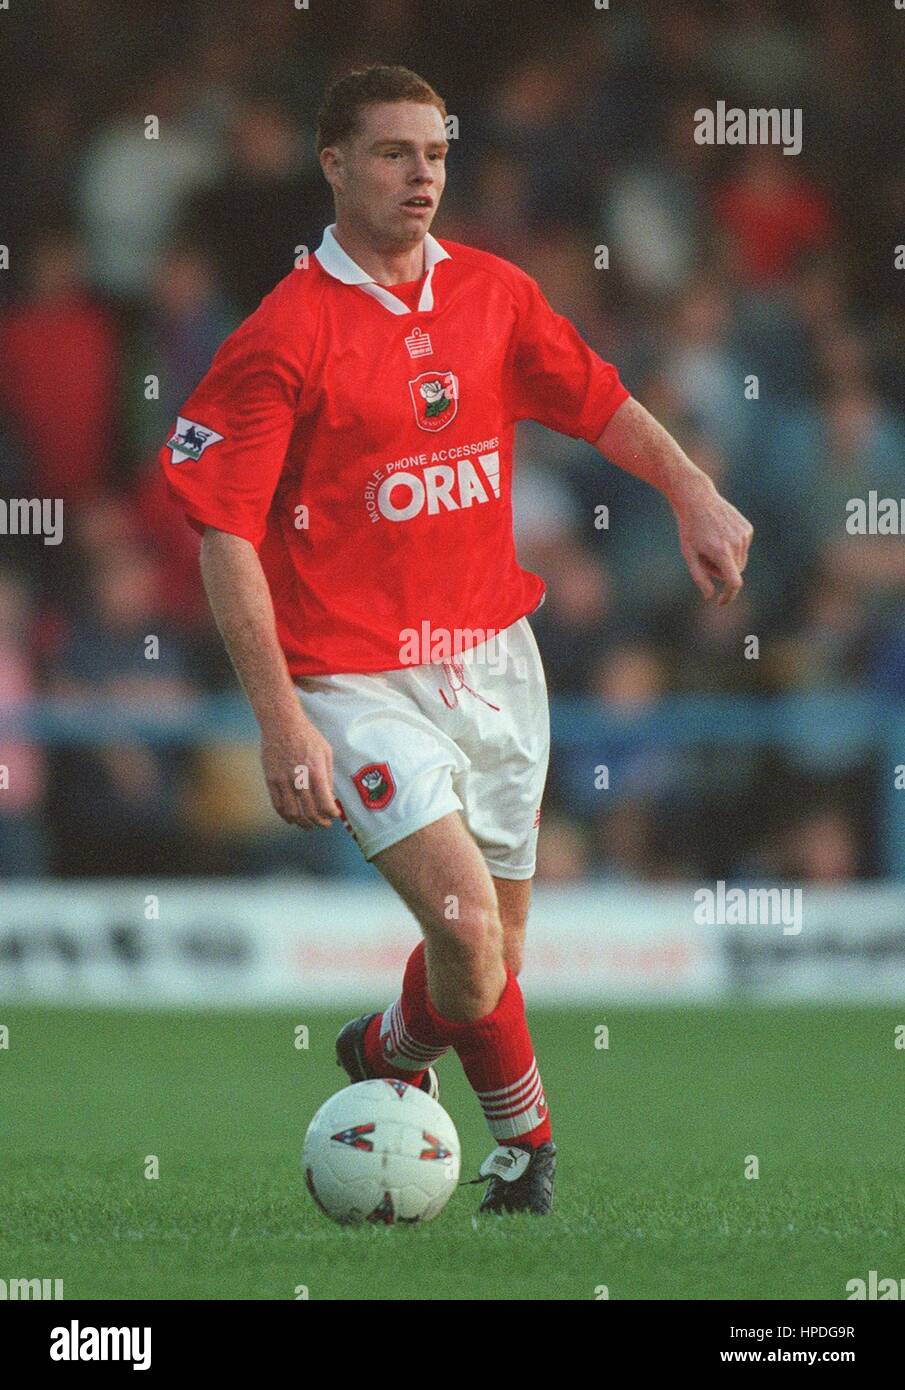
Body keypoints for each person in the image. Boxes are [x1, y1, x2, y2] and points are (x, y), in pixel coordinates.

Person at [159, 65, 753, 1216]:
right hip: (353, 676)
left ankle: (387, 1043)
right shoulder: (284, 334)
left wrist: (692, 491)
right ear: (333, 164)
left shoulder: (491, 293)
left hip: (494, 660)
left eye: (433, 153)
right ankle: (525, 1150)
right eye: (391, 153)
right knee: (465, 921)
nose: (419, 174)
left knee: (487, 965)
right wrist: (282, 716)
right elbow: (223, 534)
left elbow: (597, 400)